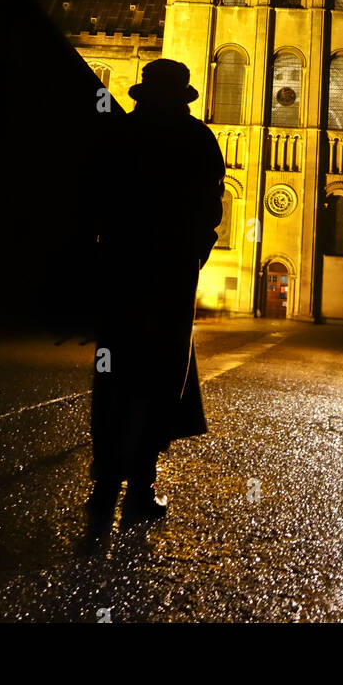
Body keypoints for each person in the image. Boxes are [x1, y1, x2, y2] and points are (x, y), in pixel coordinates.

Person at [88, 59, 225, 528]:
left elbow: (94, 198)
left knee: (113, 373)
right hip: (171, 269)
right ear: (182, 97)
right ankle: (141, 483)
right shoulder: (199, 140)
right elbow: (212, 210)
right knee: (162, 372)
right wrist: (193, 254)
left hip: (121, 266)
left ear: (143, 94)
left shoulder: (120, 134)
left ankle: (105, 482)